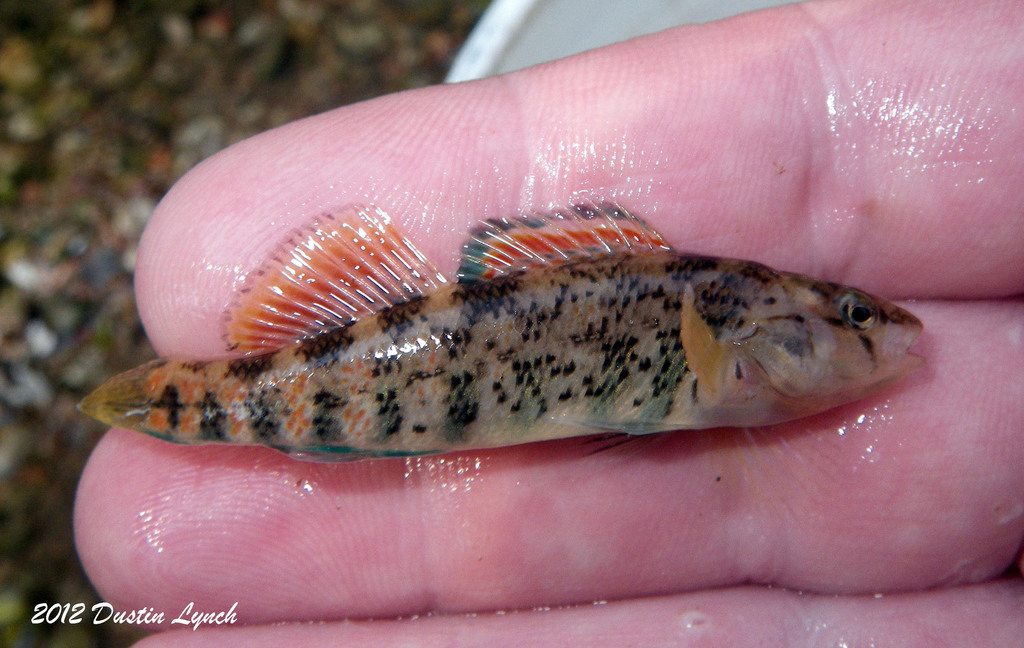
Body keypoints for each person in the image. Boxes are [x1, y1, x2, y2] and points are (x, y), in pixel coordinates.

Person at [75, 0, 1024, 644]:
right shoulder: (714, 321)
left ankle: (212, 405)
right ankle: (210, 404)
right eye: (854, 319)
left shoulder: (728, 339)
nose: (889, 338)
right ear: (761, 325)